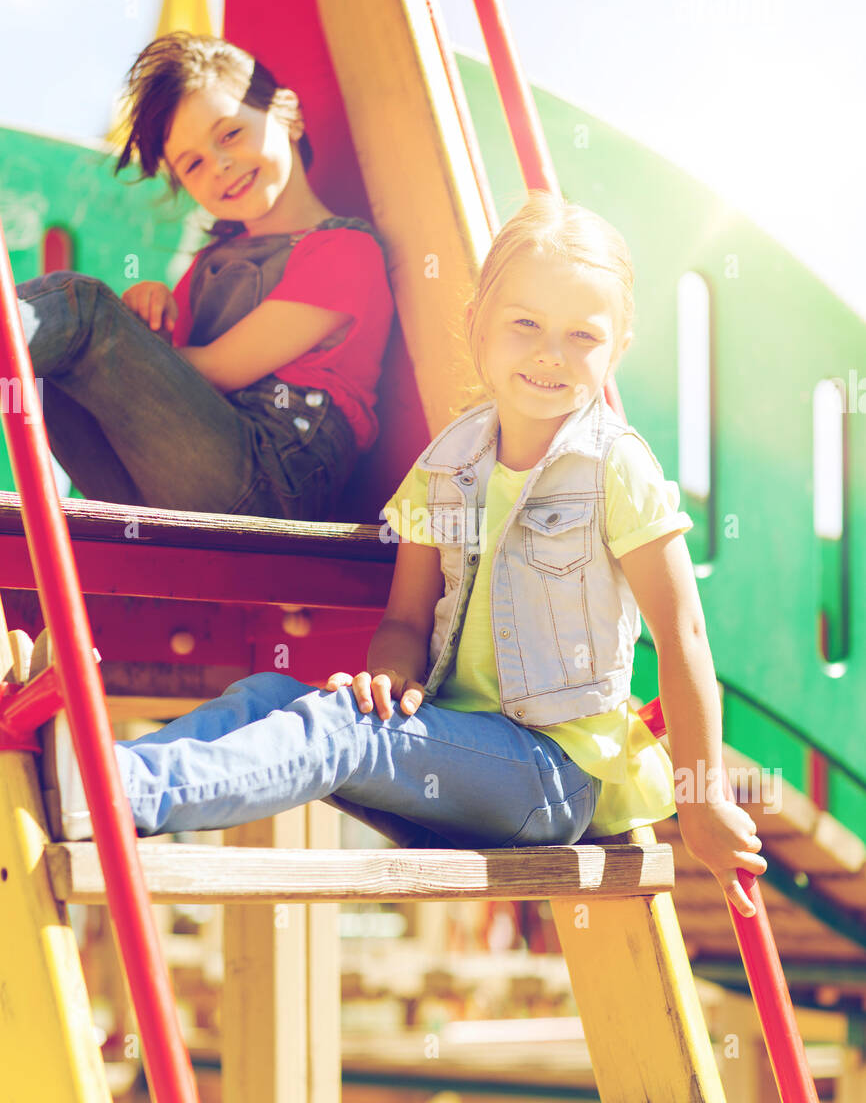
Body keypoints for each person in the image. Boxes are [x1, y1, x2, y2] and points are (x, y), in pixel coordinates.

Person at [34, 192, 767, 918]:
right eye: (525, 323)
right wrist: (387, 678)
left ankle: (111, 790)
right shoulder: (447, 465)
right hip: (452, 760)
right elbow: (408, 621)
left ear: (617, 349)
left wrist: (701, 805)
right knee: (273, 695)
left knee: (341, 730)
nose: (551, 353)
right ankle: (103, 778)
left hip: (550, 776)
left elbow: (684, 637)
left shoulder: (612, 467)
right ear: (478, 321)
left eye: (582, 336)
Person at [13, 32, 394, 520]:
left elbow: (218, 369)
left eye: (231, 133)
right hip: (172, 480)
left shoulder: (344, 251)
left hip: (272, 481)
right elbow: (169, 384)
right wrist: (144, 322)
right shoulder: (208, 267)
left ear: (288, 114)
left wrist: (114, 342)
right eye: (193, 164)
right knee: (52, 364)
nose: (220, 166)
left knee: (81, 308)